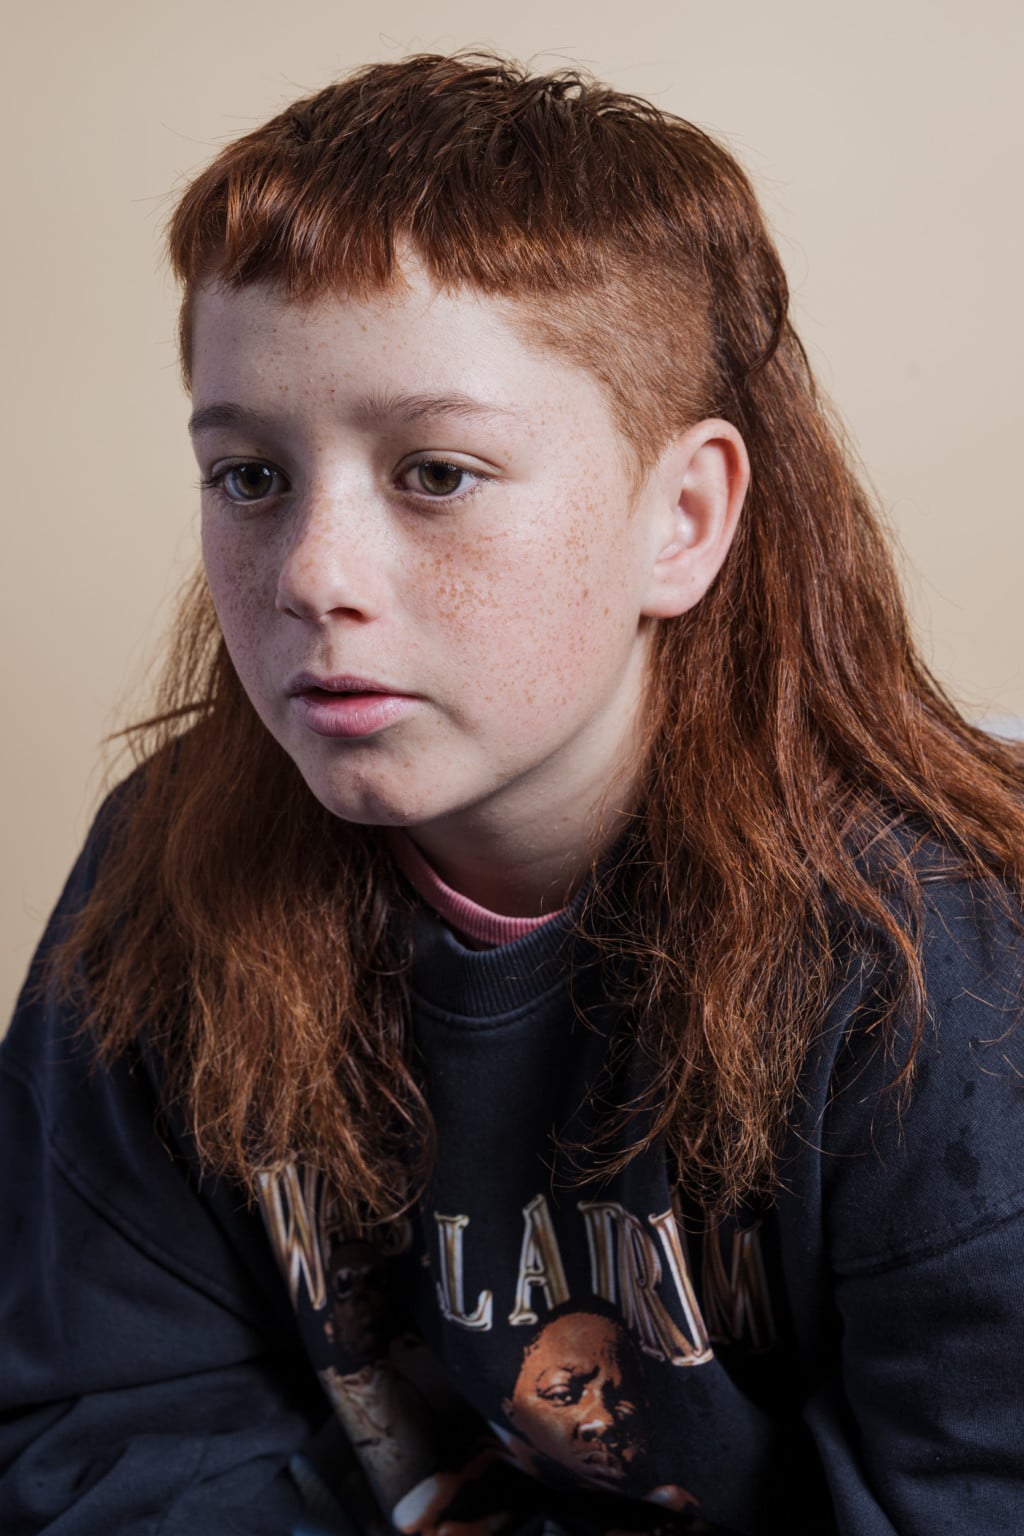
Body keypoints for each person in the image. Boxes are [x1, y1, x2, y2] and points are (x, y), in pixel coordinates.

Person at [2, 49, 1023, 1536]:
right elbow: (111, 1423)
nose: (310, 577)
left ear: (683, 520)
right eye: (249, 477)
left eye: (436, 473)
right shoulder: (170, 867)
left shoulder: (938, 960)